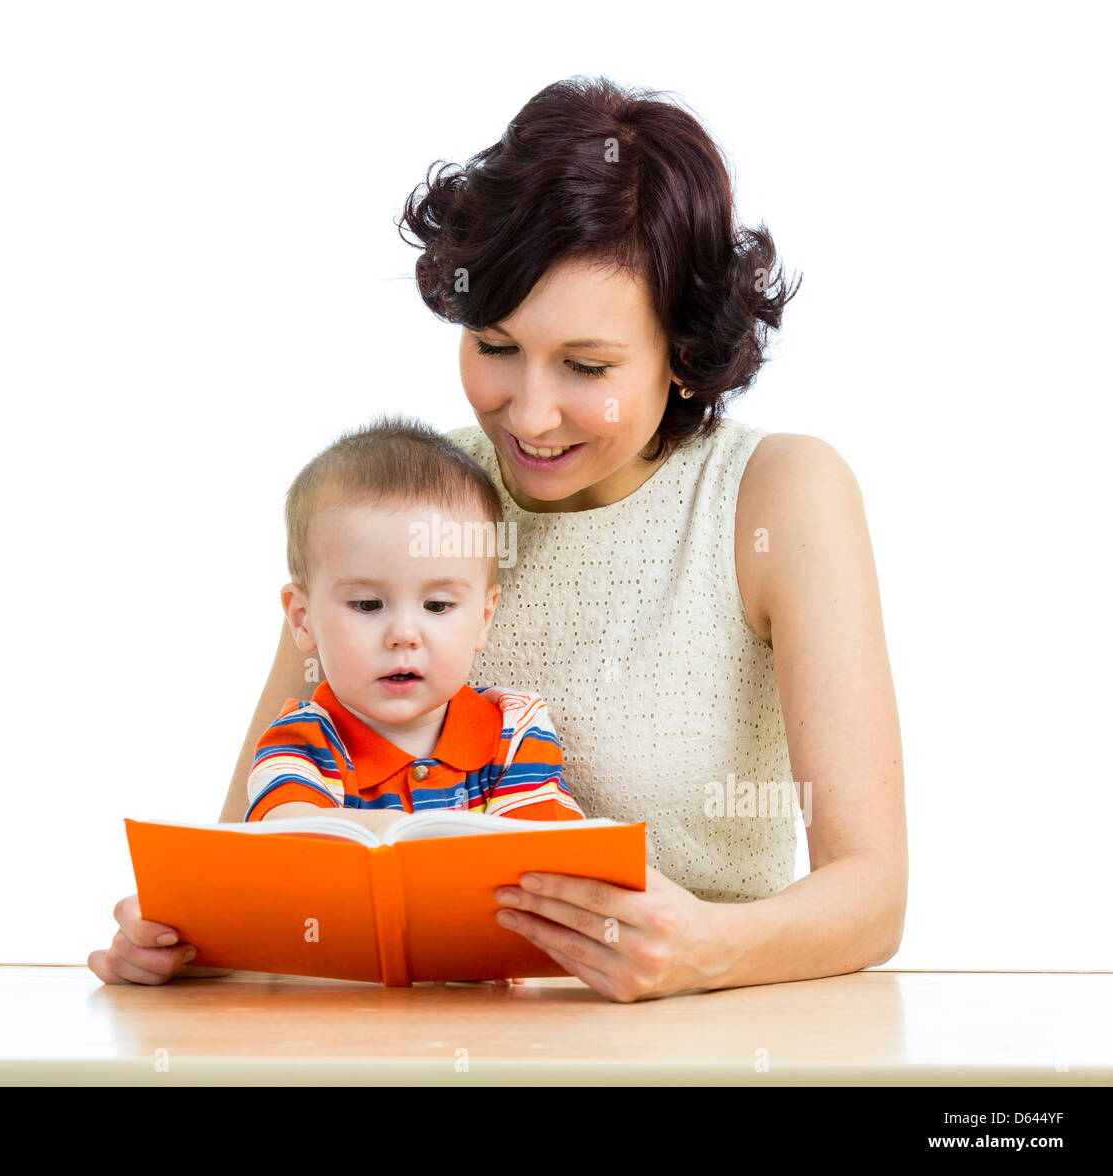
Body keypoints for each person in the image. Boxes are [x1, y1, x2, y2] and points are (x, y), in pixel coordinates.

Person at [90, 75, 907, 1002]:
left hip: (696, 1037)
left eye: (586, 366)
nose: (529, 411)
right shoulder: (405, 498)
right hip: (422, 1042)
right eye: (495, 345)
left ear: (685, 355)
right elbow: (255, 859)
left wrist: (705, 950)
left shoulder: (777, 496)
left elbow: (872, 896)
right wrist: (177, 938)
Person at [243, 414, 586, 829]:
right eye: (368, 605)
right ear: (302, 619)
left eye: (438, 606)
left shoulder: (514, 733)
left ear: (483, 617)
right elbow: (296, 837)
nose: (403, 635)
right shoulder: (300, 743)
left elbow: (543, 853)